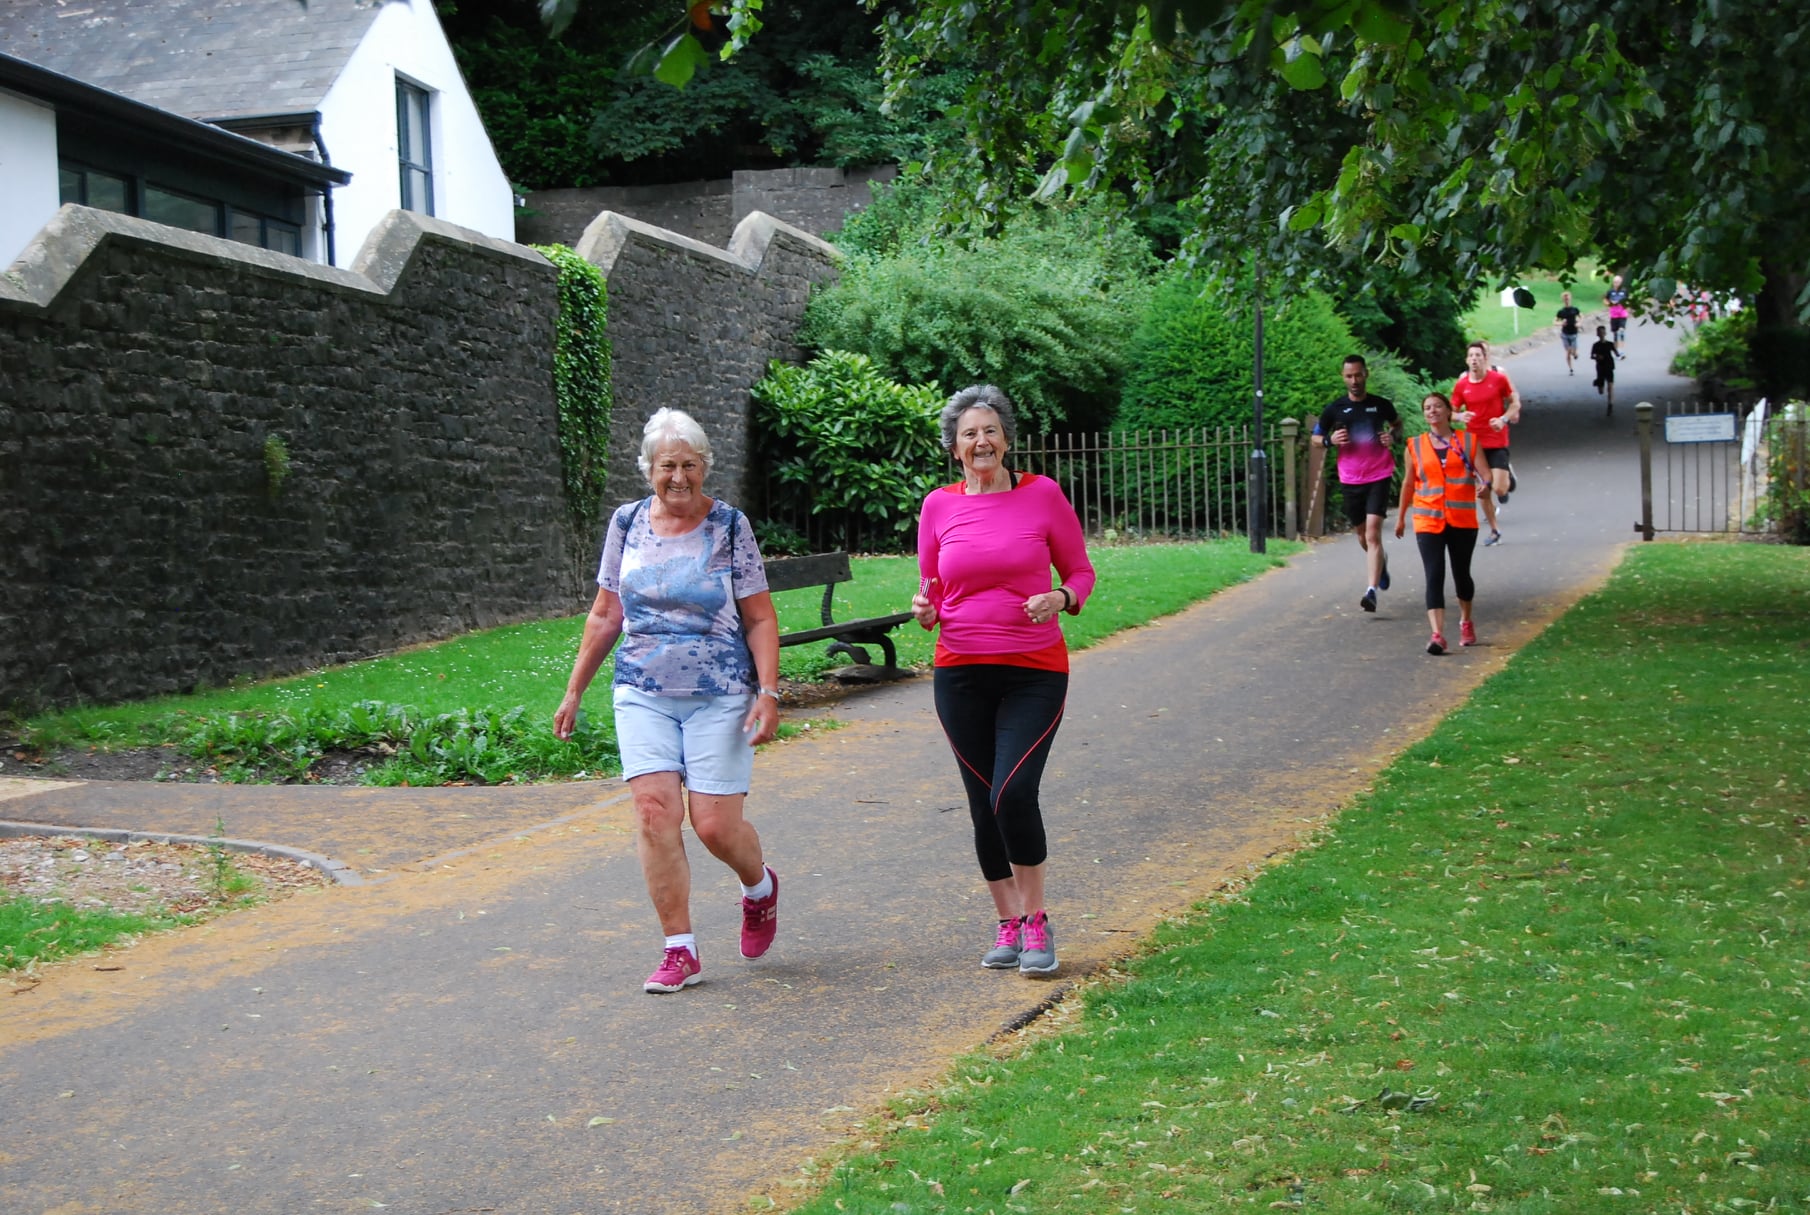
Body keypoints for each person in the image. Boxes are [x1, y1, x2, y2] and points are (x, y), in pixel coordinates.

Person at [553, 408, 782, 995]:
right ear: (648, 469)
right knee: (655, 813)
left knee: (713, 827)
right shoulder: (627, 523)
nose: (678, 477)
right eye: (666, 466)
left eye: (689, 465)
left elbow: (758, 617)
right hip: (642, 690)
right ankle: (679, 948)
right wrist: (575, 689)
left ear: (705, 466)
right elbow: (607, 612)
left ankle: (758, 888)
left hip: (720, 693)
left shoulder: (730, 526)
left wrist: (768, 691)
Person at [911, 385, 1096, 979]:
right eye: (969, 433)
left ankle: (1037, 918)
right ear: (954, 448)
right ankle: (1007, 921)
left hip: (1033, 669)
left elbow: (1081, 569)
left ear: (1006, 439)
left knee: (1011, 793)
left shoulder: (1041, 495)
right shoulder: (938, 506)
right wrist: (925, 609)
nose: (981, 441)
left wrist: (1062, 596)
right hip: (960, 671)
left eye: (990, 430)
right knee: (981, 801)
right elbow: (933, 589)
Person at [1395, 392, 1483, 655]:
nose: (1432, 411)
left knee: (1461, 575)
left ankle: (1466, 621)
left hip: (1462, 518)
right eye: (1427, 408)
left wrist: (1486, 487)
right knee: (1434, 575)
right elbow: (1408, 483)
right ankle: (1437, 635)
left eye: (1437, 407)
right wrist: (1400, 517)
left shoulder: (1468, 441)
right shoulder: (1415, 445)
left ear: (1449, 411)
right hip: (1427, 518)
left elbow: (1484, 474)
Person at [1316, 354, 1400, 613]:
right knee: (1363, 536)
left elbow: (1397, 426)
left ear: (1366, 375)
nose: (1354, 380)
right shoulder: (1335, 409)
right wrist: (1330, 441)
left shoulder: (1380, 405)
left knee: (1373, 533)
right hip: (1351, 478)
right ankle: (1380, 565)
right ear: (1343, 377)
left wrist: (1392, 438)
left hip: (1379, 474)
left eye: (1358, 375)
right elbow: (1315, 438)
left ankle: (1371, 591)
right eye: (1349, 376)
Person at [1450, 340, 1521, 544]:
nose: (1474, 359)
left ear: (1485, 358)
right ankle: (1494, 531)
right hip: (1475, 444)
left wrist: (1503, 419)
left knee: (1499, 489)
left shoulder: (1498, 379)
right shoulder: (1462, 384)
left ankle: (1506, 474)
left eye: (1478, 356)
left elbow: (1514, 403)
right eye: (1471, 356)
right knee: (1483, 490)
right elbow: (1450, 413)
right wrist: (1459, 417)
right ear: (1466, 360)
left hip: (1497, 441)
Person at [1590, 324, 1618, 415]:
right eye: (1600, 333)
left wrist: (1620, 355)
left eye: (1603, 332)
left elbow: (1616, 352)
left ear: (1605, 333)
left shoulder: (1610, 344)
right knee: (1601, 391)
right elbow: (1592, 356)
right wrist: (1597, 356)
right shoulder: (1595, 345)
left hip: (1609, 366)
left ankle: (1610, 404)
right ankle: (1598, 382)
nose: (1601, 334)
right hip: (1600, 367)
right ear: (1597, 334)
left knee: (1610, 387)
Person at [1555, 290, 1582, 375]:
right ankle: (1571, 369)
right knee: (1568, 351)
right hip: (1565, 334)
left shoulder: (1575, 309)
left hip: (1574, 333)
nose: (1566, 300)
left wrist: (1579, 323)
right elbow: (1554, 321)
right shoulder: (1561, 311)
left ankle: (1575, 354)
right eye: (1565, 298)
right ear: (1563, 300)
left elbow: (1581, 316)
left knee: (1573, 352)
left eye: (1568, 298)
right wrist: (1561, 323)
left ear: (1570, 299)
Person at [1606, 273, 1630, 357]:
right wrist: (1610, 303)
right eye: (1615, 282)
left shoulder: (1624, 291)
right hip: (1614, 315)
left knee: (1621, 331)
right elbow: (1605, 300)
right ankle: (1616, 351)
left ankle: (1621, 350)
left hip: (1622, 314)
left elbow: (1628, 301)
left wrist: (1626, 307)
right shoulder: (1610, 292)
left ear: (1621, 282)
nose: (1616, 283)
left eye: (1618, 282)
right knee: (1615, 334)